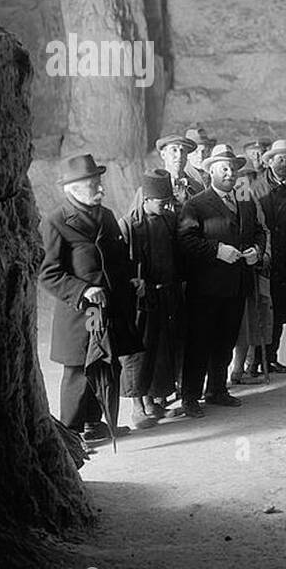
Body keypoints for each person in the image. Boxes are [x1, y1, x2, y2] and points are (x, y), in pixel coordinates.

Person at [38, 154, 143, 443]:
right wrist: (83, 290)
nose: (101, 189)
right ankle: (70, 435)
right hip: (81, 314)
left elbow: (120, 259)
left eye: (100, 182)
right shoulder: (56, 221)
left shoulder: (106, 216)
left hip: (110, 307)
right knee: (78, 372)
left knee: (107, 365)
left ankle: (96, 423)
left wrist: (132, 278)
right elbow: (48, 274)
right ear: (72, 188)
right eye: (94, 184)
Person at [177, 144, 265, 416]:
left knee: (225, 340)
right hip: (206, 289)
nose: (229, 173)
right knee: (200, 342)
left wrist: (256, 251)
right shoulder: (197, 204)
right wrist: (216, 250)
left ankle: (217, 390)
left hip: (237, 285)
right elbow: (185, 240)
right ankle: (191, 397)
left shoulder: (246, 203)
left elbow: (259, 232)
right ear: (211, 172)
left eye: (233, 168)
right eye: (223, 168)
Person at [118, 172, 184, 428]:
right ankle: (137, 407)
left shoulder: (167, 220)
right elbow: (119, 264)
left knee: (161, 351)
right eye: (160, 201)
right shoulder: (128, 225)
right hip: (141, 300)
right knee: (139, 354)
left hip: (165, 295)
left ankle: (154, 402)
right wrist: (133, 283)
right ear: (145, 199)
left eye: (168, 201)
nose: (166, 206)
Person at [247, 139, 286, 372]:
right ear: (270, 161)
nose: (284, 163)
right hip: (265, 258)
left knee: (281, 309)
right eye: (280, 159)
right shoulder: (256, 188)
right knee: (262, 309)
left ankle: (271, 357)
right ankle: (254, 362)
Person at [230, 165, 275, 385]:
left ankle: (240, 368)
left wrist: (262, 253)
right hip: (225, 267)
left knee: (249, 319)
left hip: (250, 266)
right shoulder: (210, 198)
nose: (241, 182)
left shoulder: (247, 198)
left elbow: (262, 228)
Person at [157, 133, 205, 205]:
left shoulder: (197, 188)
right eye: (174, 150)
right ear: (163, 155)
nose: (179, 155)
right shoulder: (153, 187)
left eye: (182, 150)